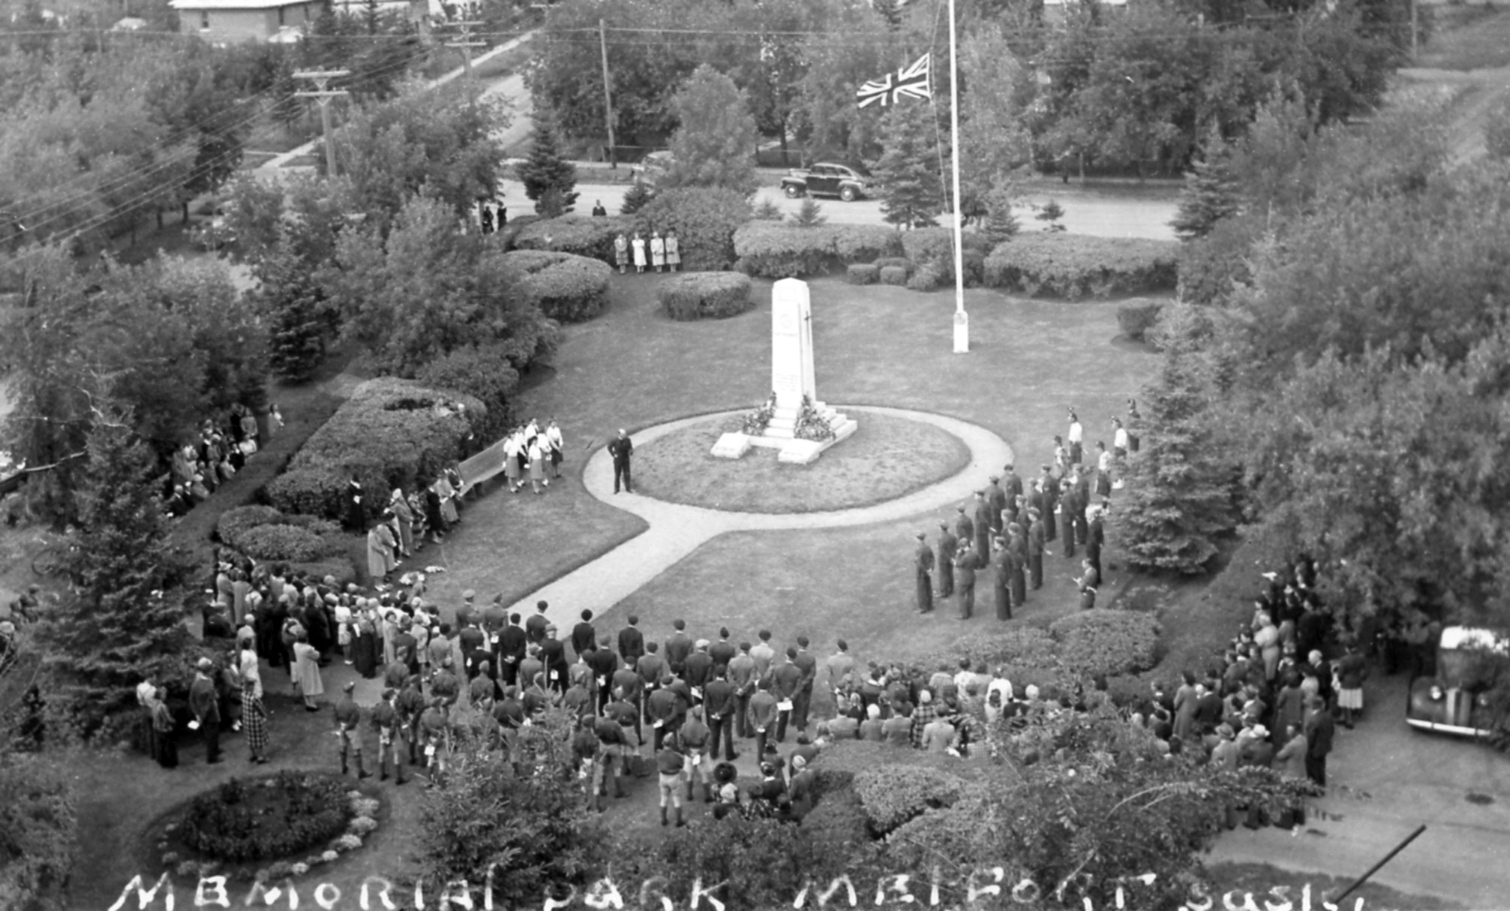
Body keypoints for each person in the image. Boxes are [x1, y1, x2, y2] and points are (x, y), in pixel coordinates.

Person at [189, 657, 223, 764]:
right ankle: (211, 757)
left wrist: (197, 714)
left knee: (214, 732)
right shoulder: (208, 683)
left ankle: (215, 750)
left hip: (201, 712)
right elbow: (209, 702)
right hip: (209, 713)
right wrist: (202, 716)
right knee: (211, 735)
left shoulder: (196, 682)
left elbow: (191, 699)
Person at [335, 681, 370, 778]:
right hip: (351, 728)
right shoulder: (353, 705)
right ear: (351, 692)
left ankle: (343, 767)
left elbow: (335, 715)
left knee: (343, 747)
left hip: (341, 726)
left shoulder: (338, 702)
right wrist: (347, 727)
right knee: (356, 750)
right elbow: (355, 719)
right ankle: (360, 772)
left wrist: (340, 726)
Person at [372, 688, 407, 784]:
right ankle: (398, 778)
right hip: (392, 732)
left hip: (382, 729)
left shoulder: (377, 707)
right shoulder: (391, 710)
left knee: (382, 751)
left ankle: (382, 774)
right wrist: (390, 736)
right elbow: (394, 724)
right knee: (396, 753)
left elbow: (374, 721)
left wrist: (380, 732)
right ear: (390, 697)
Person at [656, 733, 688, 827]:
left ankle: (663, 820)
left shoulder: (658, 754)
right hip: (674, 778)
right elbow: (682, 765)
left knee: (663, 798)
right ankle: (679, 821)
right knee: (677, 800)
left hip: (662, 777)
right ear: (673, 743)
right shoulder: (676, 755)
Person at [1303, 695, 1335, 786]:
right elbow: (1332, 730)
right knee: (1321, 765)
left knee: (1312, 768)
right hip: (1324, 746)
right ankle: (1322, 783)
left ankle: (1315, 788)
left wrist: (1308, 747)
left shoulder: (1313, 720)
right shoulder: (1328, 716)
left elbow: (1311, 737)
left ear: (1313, 706)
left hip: (1314, 749)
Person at [1335, 642, 1368, 728]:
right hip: (1357, 680)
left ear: (1347, 649)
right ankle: (1351, 715)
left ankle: (1349, 721)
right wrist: (1362, 677)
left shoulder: (1344, 659)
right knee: (1354, 698)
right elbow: (1366, 669)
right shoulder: (1361, 657)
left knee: (1346, 702)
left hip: (1346, 682)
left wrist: (1340, 679)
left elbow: (1340, 673)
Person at [293, 634, 325, 711]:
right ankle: (312, 705)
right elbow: (316, 655)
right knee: (310, 686)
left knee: (304, 685)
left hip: (301, 667)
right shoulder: (308, 649)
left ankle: (307, 703)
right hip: (309, 668)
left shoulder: (295, 645)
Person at [954, 542, 978, 620]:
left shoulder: (965, 557)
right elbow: (979, 562)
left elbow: (958, 564)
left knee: (961, 595)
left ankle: (964, 614)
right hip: (972, 576)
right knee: (971, 594)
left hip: (964, 578)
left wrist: (957, 555)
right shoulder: (974, 554)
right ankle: (970, 611)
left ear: (962, 547)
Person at [913, 531, 934, 613]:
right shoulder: (928, 547)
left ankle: (923, 607)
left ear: (918, 539)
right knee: (928, 587)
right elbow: (932, 558)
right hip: (928, 570)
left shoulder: (918, 549)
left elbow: (919, 563)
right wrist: (931, 569)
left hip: (922, 572)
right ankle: (930, 605)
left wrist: (925, 571)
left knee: (921, 589)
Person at [608, 429, 634, 494]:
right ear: (619, 434)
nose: (624, 436)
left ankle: (628, 488)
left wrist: (631, 452)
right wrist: (613, 454)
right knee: (617, 474)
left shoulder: (627, 440)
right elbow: (609, 447)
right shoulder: (615, 441)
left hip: (625, 459)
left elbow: (630, 447)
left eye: (624, 434)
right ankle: (616, 489)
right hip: (618, 459)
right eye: (623, 434)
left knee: (627, 474)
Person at [937, 523, 957, 598]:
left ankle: (944, 592)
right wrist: (952, 557)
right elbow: (955, 546)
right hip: (951, 557)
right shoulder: (952, 536)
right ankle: (951, 588)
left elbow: (942, 551)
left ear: (941, 528)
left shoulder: (940, 538)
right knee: (950, 573)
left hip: (943, 559)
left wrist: (948, 558)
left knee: (943, 575)